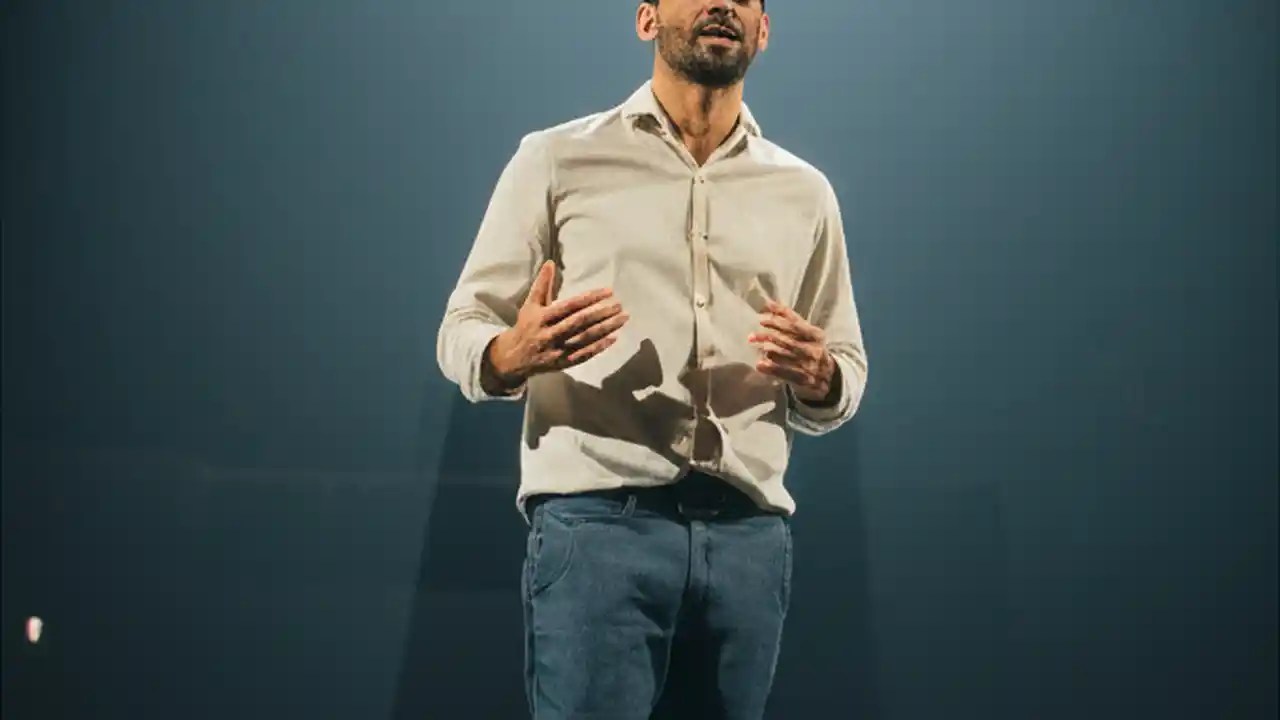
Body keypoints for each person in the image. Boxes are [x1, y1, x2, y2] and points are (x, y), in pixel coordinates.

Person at [436, 0, 868, 717]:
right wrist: (510, 353)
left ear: (763, 31)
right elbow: (463, 325)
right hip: (600, 529)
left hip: (749, 542)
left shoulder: (805, 192)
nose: (722, 4)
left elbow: (844, 365)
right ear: (646, 19)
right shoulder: (557, 158)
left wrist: (822, 379)